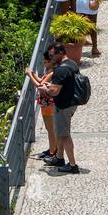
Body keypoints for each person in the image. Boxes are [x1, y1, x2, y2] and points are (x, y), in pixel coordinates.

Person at [42, 41, 81, 174]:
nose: (50, 57)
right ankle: (59, 157)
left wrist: (45, 89)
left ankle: (72, 165)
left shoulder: (60, 70)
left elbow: (55, 91)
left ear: (60, 53)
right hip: (71, 102)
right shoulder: (72, 63)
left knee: (64, 135)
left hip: (64, 105)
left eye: (52, 55)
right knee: (60, 131)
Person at [26, 46, 58, 160]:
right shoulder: (49, 72)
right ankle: (52, 148)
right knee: (50, 129)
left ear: (51, 61)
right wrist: (34, 74)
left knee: (50, 130)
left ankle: (53, 151)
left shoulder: (52, 73)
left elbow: (40, 86)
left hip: (49, 105)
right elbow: (42, 81)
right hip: (46, 104)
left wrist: (29, 76)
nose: (44, 64)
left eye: (45, 62)